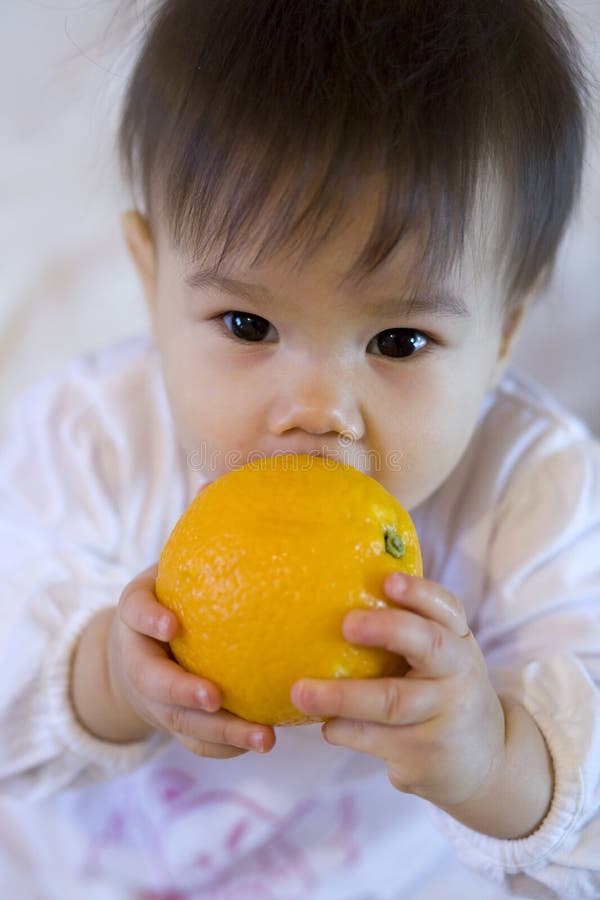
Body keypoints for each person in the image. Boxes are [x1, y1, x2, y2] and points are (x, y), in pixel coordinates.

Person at [0, 0, 599, 897]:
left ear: (504, 334)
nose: (317, 411)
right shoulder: (92, 438)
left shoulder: (531, 488)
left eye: (399, 342)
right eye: (247, 324)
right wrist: (111, 680)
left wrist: (488, 758)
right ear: (150, 276)